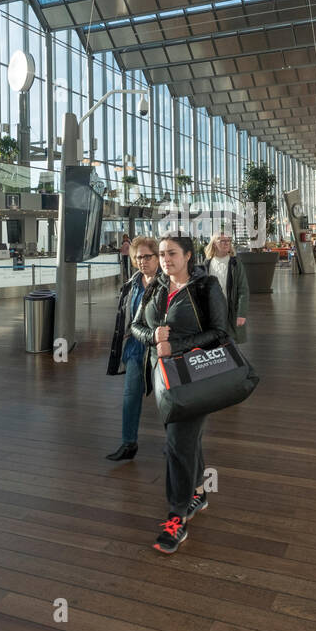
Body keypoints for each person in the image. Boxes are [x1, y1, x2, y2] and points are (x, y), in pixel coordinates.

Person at [130, 235, 233, 554]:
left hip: (194, 377)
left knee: (176, 445)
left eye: (171, 253)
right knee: (187, 441)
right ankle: (199, 493)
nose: (164, 259)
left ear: (188, 255)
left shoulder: (206, 288)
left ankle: (177, 519)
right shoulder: (157, 287)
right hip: (163, 380)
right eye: (160, 254)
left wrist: (175, 345)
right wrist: (153, 336)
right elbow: (135, 326)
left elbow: (220, 332)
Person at [104, 236, 161, 461]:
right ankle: (129, 443)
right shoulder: (133, 283)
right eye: (139, 257)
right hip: (136, 347)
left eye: (147, 256)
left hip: (160, 347)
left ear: (157, 258)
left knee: (167, 397)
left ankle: (176, 443)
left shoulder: (167, 282)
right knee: (130, 395)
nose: (143, 261)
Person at [204, 231, 249, 342]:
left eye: (228, 240)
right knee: (213, 342)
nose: (226, 243)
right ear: (214, 243)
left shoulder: (235, 263)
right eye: (222, 240)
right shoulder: (207, 263)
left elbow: (243, 290)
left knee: (231, 343)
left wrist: (241, 314)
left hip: (230, 310)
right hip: (212, 311)